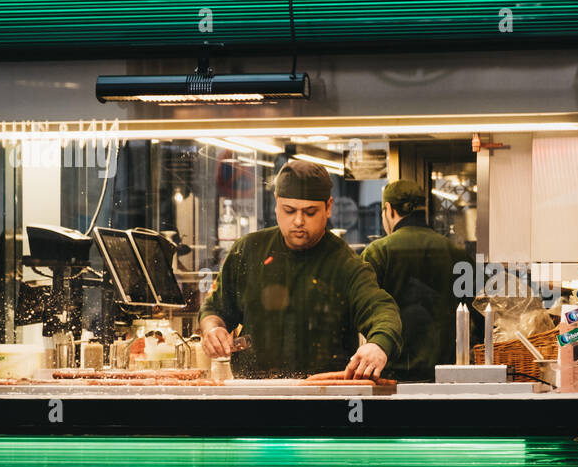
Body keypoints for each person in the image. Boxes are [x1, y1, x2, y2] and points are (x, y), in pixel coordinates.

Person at [200, 160, 402, 379]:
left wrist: (378, 344)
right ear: (276, 203)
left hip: (323, 391)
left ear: (328, 207)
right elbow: (214, 309)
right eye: (289, 210)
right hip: (252, 390)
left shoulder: (346, 264)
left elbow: (382, 310)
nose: (298, 221)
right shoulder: (248, 250)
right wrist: (213, 329)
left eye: (310, 212)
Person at [360, 180, 473, 382]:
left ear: (389, 209)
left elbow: (362, 310)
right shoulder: (457, 253)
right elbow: (479, 310)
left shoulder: (377, 252)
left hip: (391, 376)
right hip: (447, 375)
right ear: (424, 209)